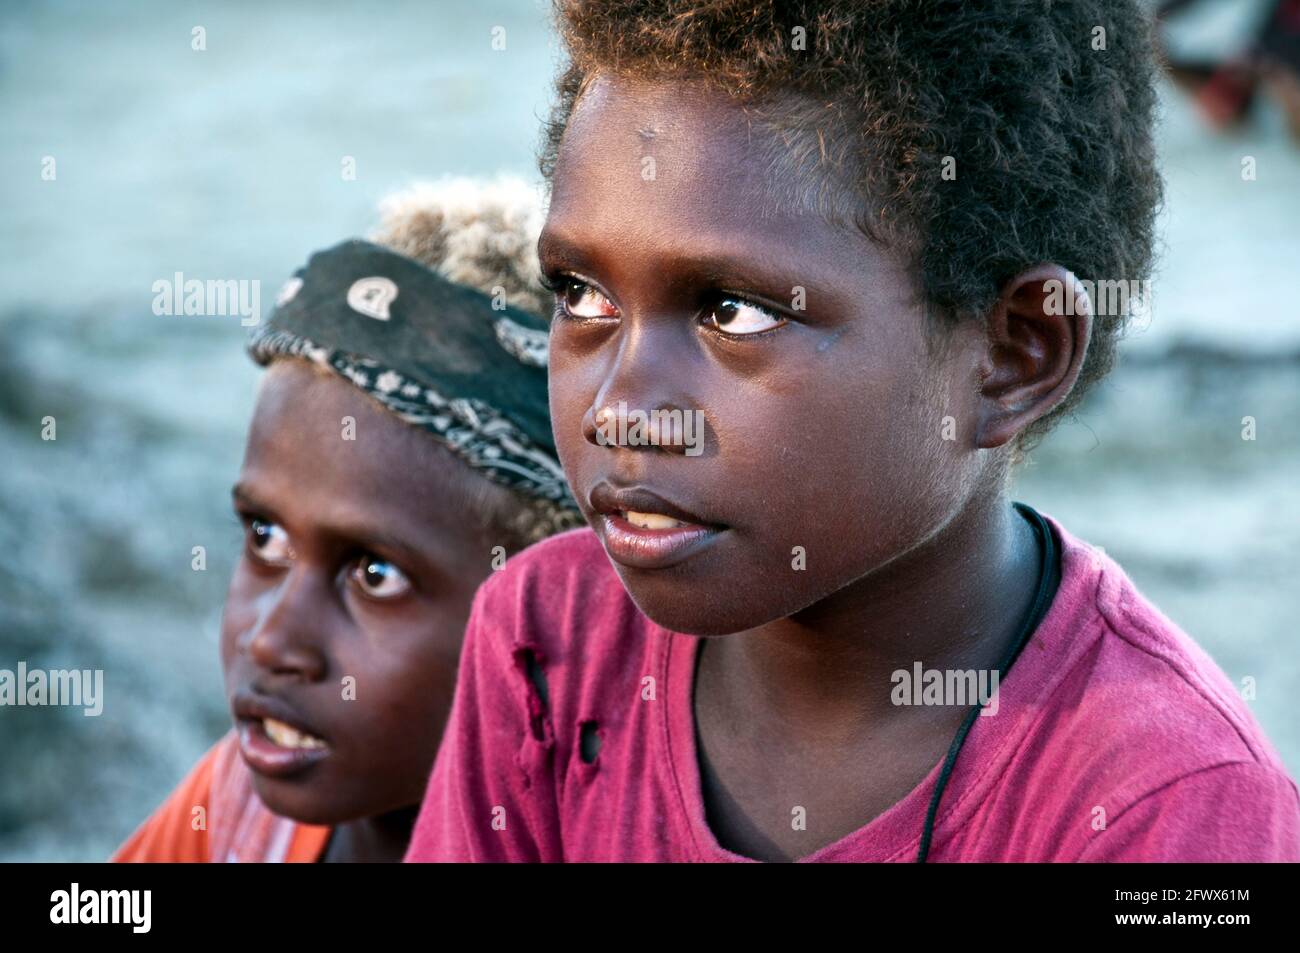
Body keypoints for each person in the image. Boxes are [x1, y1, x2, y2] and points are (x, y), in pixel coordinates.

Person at [406, 1, 1300, 862]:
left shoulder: (1172, 803)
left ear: (1015, 354)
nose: (622, 409)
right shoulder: (547, 646)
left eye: (735, 312)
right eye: (582, 294)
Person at [113, 180, 582, 862]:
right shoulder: (232, 816)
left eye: (374, 573)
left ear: (553, 612)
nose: (272, 641)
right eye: (263, 536)